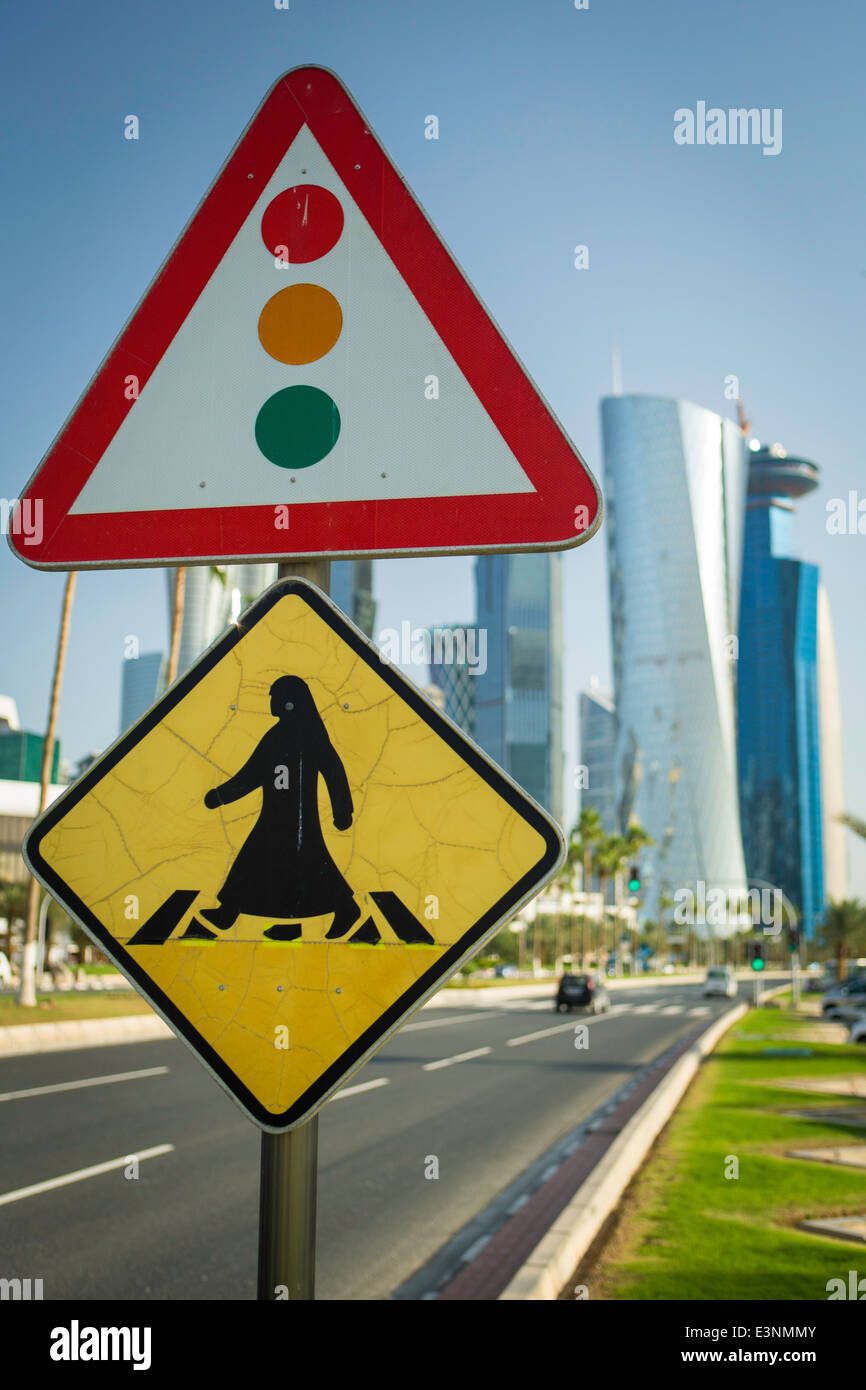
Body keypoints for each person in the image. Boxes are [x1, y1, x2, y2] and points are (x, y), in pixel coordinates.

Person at [198, 676, 361, 939]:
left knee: (305, 862)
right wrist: (221, 796)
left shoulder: (310, 735)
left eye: (275, 697)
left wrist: (342, 811)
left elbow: (333, 770)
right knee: (273, 864)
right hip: (273, 816)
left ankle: (345, 908)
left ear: (289, 702)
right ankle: (244, 914)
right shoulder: (275, 736)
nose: (271, 703)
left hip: (299, 820)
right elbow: (251, 774)